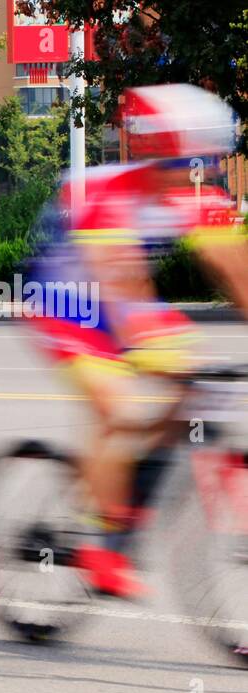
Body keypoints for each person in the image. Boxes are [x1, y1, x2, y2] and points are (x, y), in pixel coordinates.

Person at [20, 83, 248, 596]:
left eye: (206, 161)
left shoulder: (200, 198)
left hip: (124, 299)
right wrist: (143, 354)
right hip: (64, 301)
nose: (198, 172)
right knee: (118, 407)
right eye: (187, 161)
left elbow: (238, 275)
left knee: (205, 390)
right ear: (156, 156)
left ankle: (131, 485)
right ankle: (100, 541)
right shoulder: (105, 193)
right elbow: (116, 285)